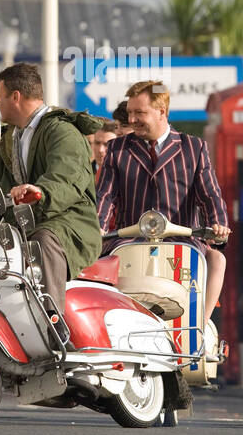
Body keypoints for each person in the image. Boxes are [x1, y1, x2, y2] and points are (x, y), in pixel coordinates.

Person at [96, 80, 231, 323]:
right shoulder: (117, 149)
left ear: (162, 112)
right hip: (130, 241)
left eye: (140, 112)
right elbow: (106, 196)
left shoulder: (193, 147)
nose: (133, 119)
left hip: (182, 241)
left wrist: (217, 223)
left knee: (216, 260)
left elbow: (210, 194)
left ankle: (200, 326)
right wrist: (99, 226)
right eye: (130, 112)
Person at [0, 63, 103, 316]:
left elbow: (65, 180)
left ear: (15, 97)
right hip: (26, 220)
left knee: (44, 239)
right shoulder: (10, 138)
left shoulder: (62, 131)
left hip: (68, 224)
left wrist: (40, 192)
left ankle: (52, 324)